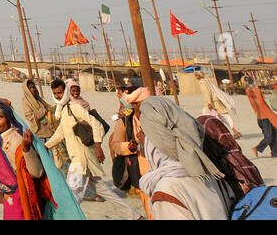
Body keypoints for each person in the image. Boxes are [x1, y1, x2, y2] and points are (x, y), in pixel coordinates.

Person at [129, 90, 229, 220]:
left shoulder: (167, 189)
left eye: (144, 133)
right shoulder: (206, 172)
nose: (140, 137)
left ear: (154, 141)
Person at [0, 97, 75, 220]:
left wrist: (27, 150)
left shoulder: (17, 139)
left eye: (0, 117)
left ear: (8, 118)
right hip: (8, 193)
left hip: (20, 193)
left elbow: (36, 172)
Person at [44, 78, 137, 217]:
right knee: (105, 192)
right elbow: (60, 133)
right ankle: (135, 215)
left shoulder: (74, 107)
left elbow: (96, 124)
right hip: (80, 158)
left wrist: (98, 146)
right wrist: (45, 146)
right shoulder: (63, 111)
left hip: (81, 159)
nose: (58, 96)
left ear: (65, 92)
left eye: (60, 93)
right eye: (55, 93)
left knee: (72, 194)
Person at [108, 79, 148, 217]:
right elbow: (115, 144)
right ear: (134, 104)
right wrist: (129, 147)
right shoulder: (125, 121)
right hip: (142, 174)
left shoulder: (156, 117)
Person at [196, 71, 240, 139]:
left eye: (196, 75)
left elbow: (208, 92)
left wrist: (209, 103)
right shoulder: (206, 81)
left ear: (198, 76)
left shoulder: (203, 83)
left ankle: (234, 131)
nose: (195, 77)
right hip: (214, 101)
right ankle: (234, 131)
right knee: (217, 116)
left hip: (213, 102)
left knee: (217, 116)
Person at [246, 78, 277, 158]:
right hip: (265, 118)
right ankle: (257, 148)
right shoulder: (255, 91)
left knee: (274, 135)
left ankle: (275, 154)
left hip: (262, 118)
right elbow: (261, 102)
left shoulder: (250, 94)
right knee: (269, 137)